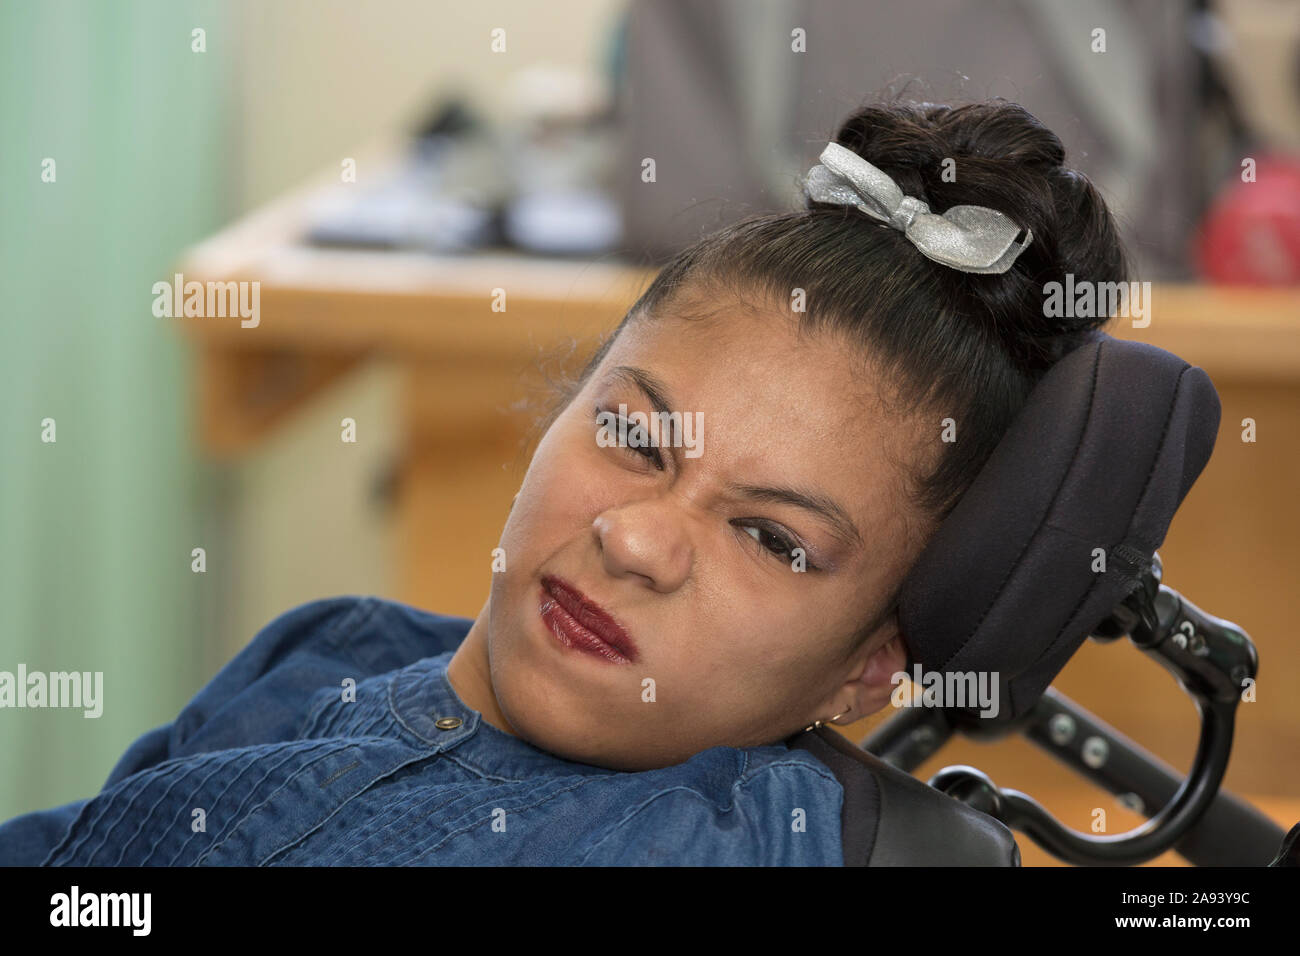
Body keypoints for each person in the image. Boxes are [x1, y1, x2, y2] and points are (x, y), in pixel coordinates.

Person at [0, 97, 1125, 866]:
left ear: (869, 665)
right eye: (635, 437)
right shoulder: (323, 649)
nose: (638, 539)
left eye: (773, 539)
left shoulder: (694, 840)